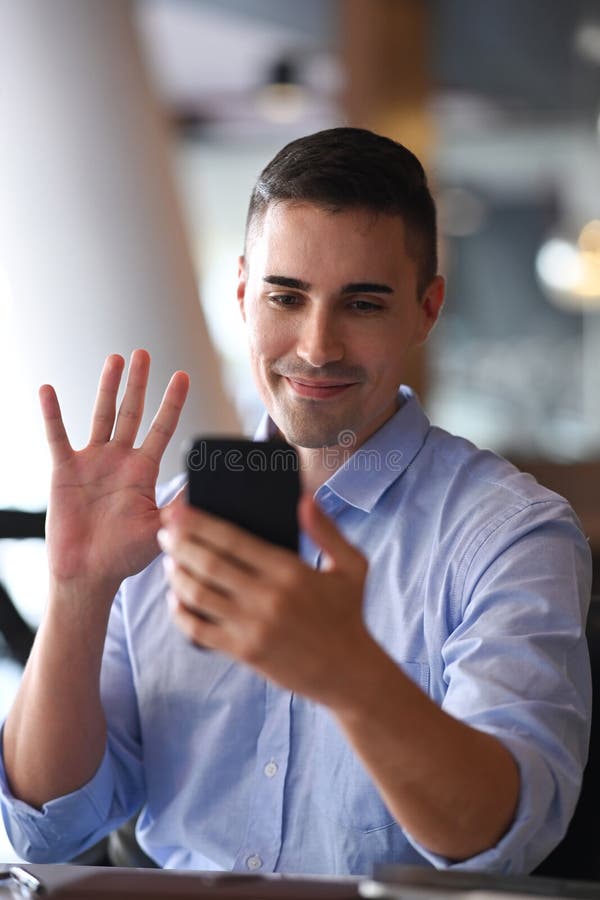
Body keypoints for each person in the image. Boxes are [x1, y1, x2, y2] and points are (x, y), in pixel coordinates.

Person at [0, 128, 591, 876]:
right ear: (244, 293)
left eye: (363, 304)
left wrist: (349, 673)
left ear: (426, 310)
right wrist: (77, 594)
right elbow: (45, 830)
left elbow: (496, 842)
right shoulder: (161, 528)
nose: (317, 346)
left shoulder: (512, 535)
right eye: (286, 296)